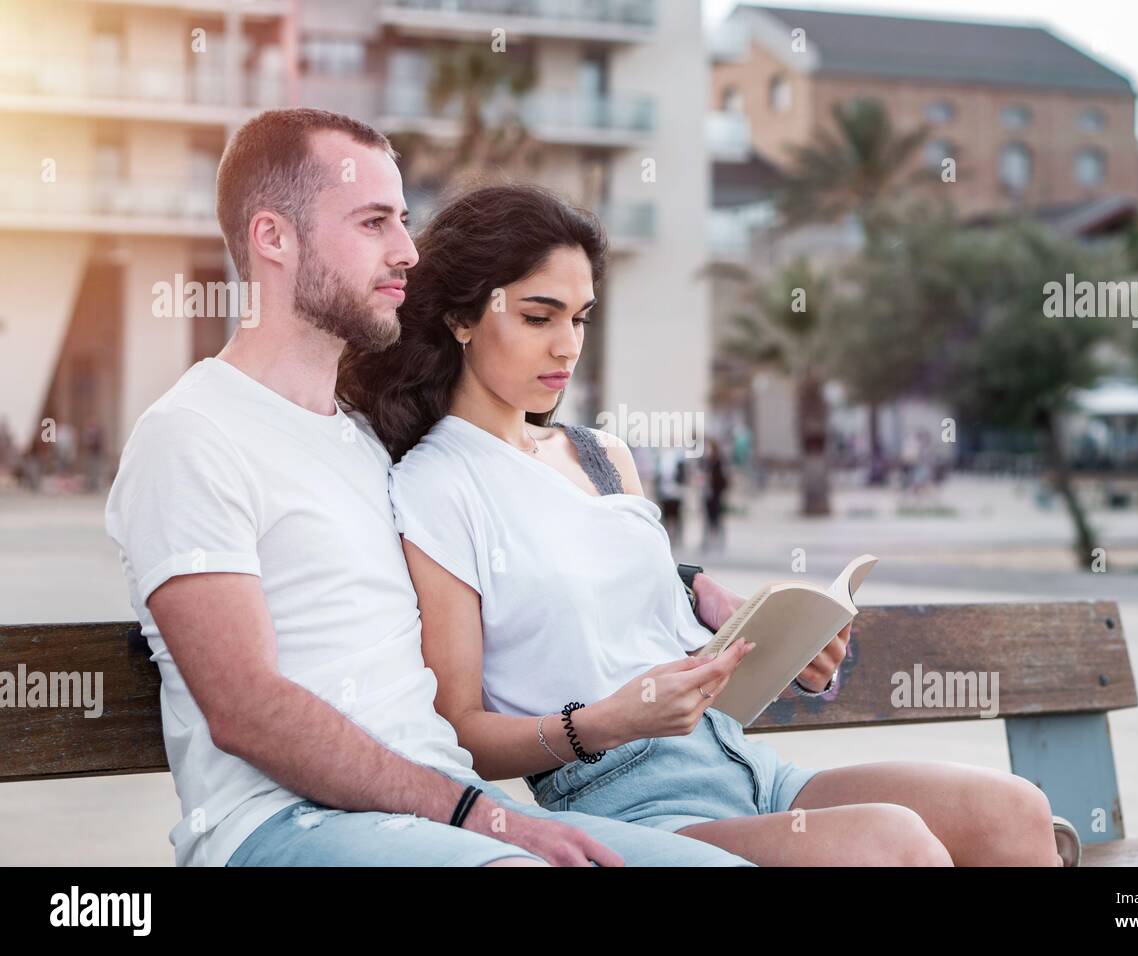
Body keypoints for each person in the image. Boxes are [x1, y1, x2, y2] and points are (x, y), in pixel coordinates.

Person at [341, 183, 1073, 867]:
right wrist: (604, 723)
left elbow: (647, 633)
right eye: (539, 317)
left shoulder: (603, 457)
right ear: (462, 317)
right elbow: (458, 729)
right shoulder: (436, 485)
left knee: (1016, 811)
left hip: (750, 769)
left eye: (581, 318)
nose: (568, 346)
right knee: (893, 844)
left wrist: (776, 647)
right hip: (636, 807)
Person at [104, 108, 751, 868]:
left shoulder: (373, 445)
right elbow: (248, 711)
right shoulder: (191, 435)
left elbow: (535, 532)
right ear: (272, 237)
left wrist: (689, 581)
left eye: (404, 222)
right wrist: (477, 814)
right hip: (283, 826)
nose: (407, 251)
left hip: (438, 811)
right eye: (374, 222)